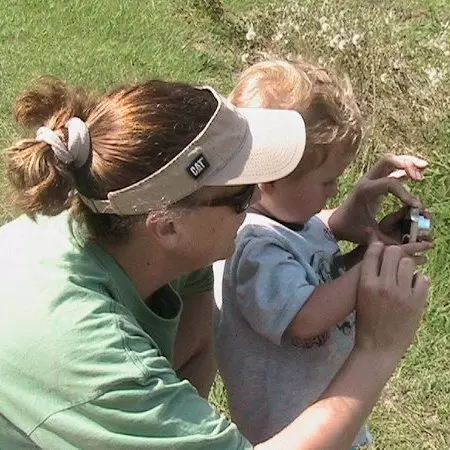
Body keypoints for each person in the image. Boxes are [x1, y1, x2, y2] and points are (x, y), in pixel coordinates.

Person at [0, 75, 429, 449]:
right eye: (243, 197)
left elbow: (197, 355)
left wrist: (338, 223)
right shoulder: (101, 360)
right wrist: (378, 349)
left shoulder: (119, 220)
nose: (256, 205)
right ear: (167, 226)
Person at [213, 60, 432, 447]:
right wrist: (373, 265)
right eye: (327, 181)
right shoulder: (254, 248)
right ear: (271, 179)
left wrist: (366, 246)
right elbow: (305, 315)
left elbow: (319, 273)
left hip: (324, 403)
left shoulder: (291, 219)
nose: (333, 191)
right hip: (290, 426)